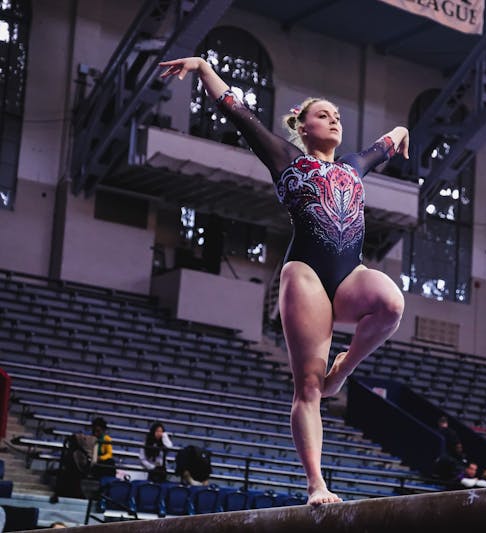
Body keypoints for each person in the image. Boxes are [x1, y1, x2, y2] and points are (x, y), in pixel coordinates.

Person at [159, 57, 409, 506]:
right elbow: (235, 109)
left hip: (349, 276)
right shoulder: (285, 158)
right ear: (303, 127)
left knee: (392, 303)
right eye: (323, 115)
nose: (334, 119)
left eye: (337, 115)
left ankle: (343, 370)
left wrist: (402, 132)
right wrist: (201, 66)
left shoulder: (354, 165)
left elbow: (386, 144)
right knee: (307, 387)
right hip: (306, 275)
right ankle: (316, 485)